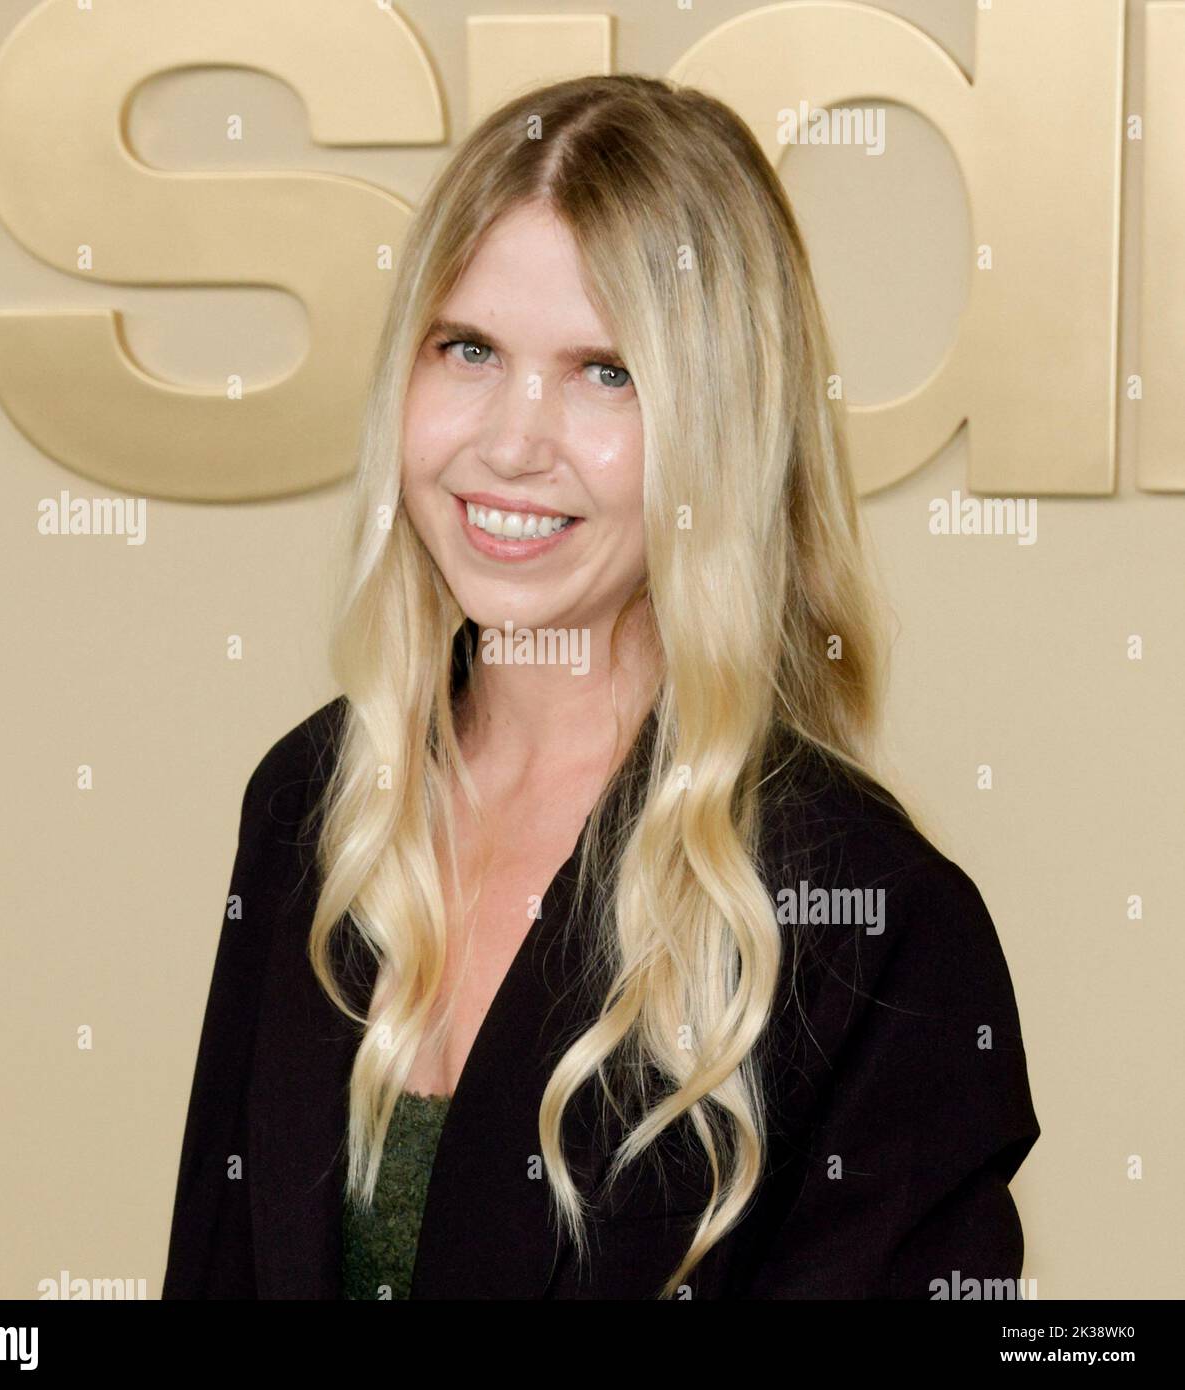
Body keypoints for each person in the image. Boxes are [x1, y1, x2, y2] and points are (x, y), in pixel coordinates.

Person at [161, 73, 1040, 1300]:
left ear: (720, 425)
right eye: (468, 349)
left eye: (604, 372)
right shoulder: (313, 796)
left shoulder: (871, 921)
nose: (512, 442)